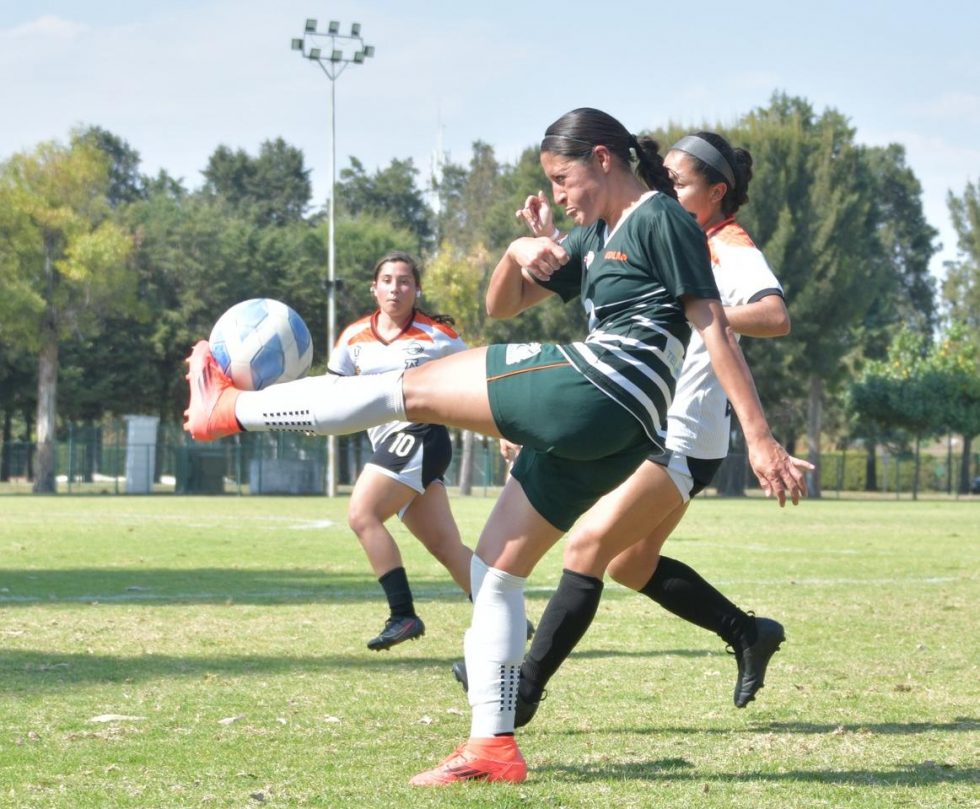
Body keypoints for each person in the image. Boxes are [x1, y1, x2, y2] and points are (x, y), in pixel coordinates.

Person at [184, 107, 807, 786]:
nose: (560, 195)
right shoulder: (597, 234)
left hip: (601, 391)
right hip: (620, 437)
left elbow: (714, 327)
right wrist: (519, 251)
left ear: (603, 158)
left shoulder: (663, 219)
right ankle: (493, 745)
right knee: (497, 571)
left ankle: (230, 409)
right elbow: (503, 306)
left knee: (406, 387)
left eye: (563, 178)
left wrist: (761, 437)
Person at [454, 131, 802, 726]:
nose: (666, 186)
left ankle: (523, 688)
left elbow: (774, 315)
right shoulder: (640, 227)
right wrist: (544, 247)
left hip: (685, 432)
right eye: (663, 175)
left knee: (587, 547)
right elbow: (544, 297)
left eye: (682, 181)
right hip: (643, 423)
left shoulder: (726, 243)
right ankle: (748, 632)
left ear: (716, 194)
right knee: (630, 563)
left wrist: (681, 304)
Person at [332, 251, 472, 651]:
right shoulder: (353, 337)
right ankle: (506, 612)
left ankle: (403, 615)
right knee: (445, 546)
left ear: (417, 289)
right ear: (374, 288)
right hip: (393, 446)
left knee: (362, 514)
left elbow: (480, 377)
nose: (396, 288)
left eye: (405, 281)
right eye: (388, 280)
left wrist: (503, 430)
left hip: (421, 435)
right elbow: (333, 391)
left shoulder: (437, 335)